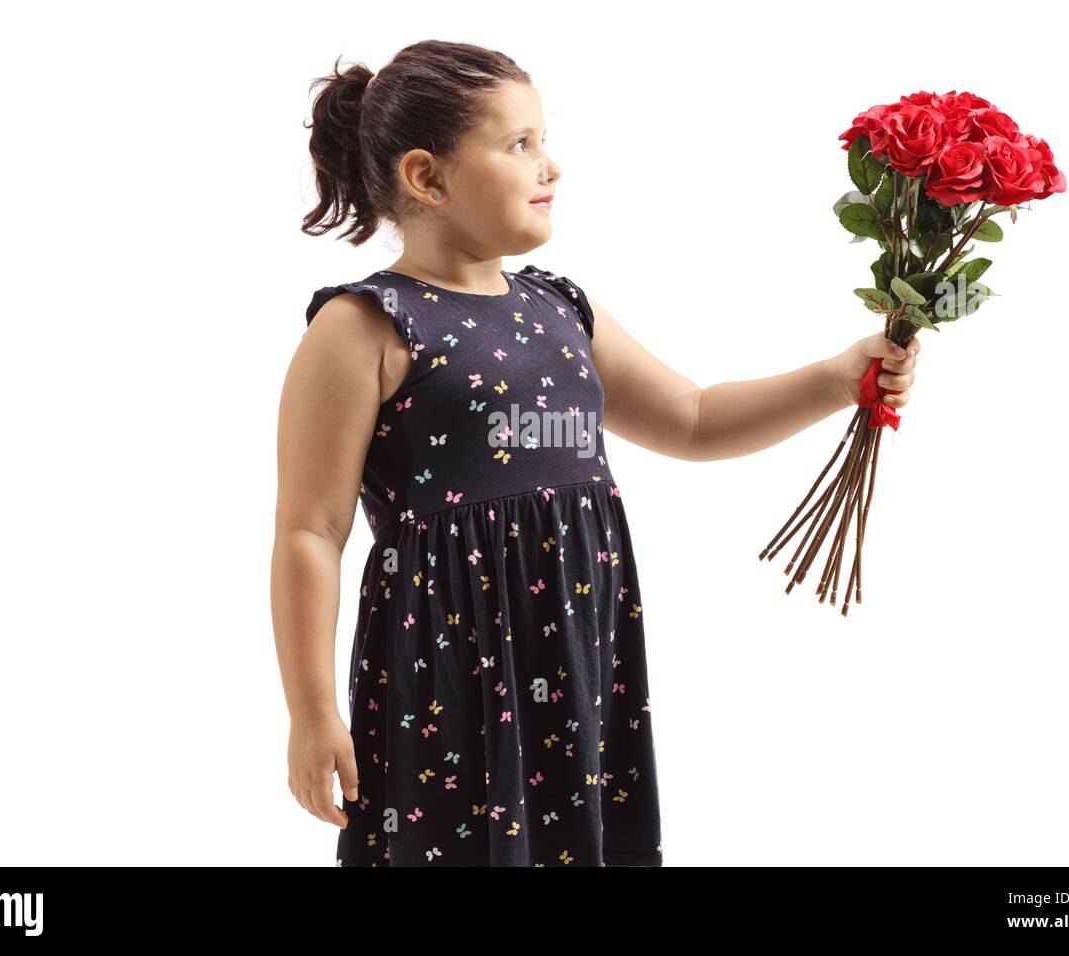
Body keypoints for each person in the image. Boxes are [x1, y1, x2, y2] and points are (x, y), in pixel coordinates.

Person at [271, 40, 920, 867]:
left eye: (542, 139)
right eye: (520, 145)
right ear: (427, 178)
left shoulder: (560, 309)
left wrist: (836, 378)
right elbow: (310, 531)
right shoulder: (365, 327)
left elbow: (692, 417)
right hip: (445, 676)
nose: (551, 166)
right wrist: (312, 710)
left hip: (575, 656)